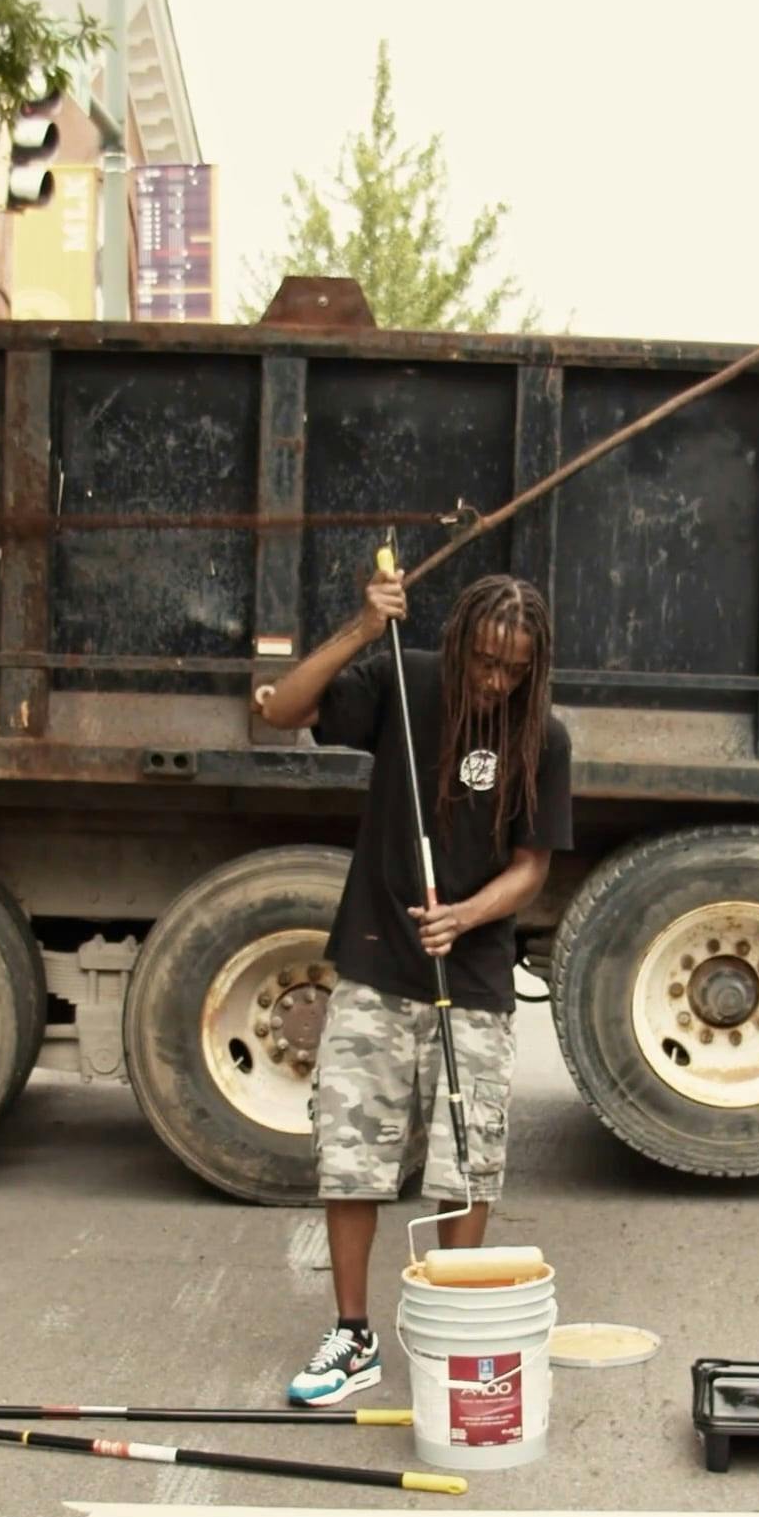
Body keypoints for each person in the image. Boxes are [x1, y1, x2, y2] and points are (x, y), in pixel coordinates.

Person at [252, 567, 571, 1407]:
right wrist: (362, 625)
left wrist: (466, 915)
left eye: (514, 668)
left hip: (471, 974)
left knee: (467, 1166)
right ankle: (353, 1338)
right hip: (376, 960)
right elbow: (280, 709)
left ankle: (451, 1328)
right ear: (461, 639)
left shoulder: (542, 734)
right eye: (484, 660)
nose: (494, 680)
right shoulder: (404, 676)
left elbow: (532, 867)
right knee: (352, 1158)